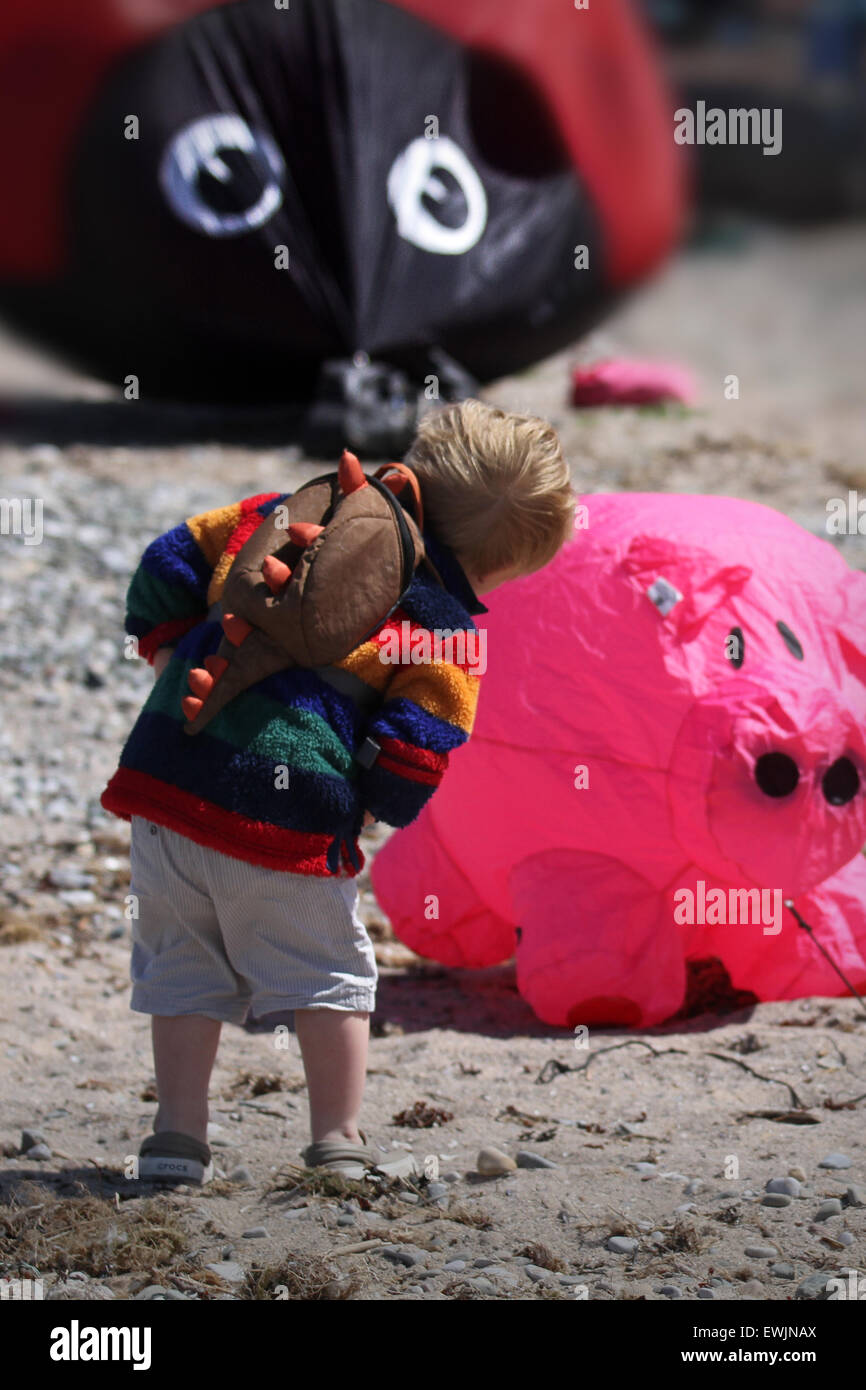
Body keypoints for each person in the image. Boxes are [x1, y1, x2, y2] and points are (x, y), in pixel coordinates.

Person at [100, 398, 575, 1181]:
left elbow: (168, 559)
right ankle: (338, 1142)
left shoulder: (282, 511)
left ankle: (175, 1141)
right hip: (286, 823)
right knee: (328, 979)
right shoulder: (442, 625)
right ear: (494, 569)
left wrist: (166, 655)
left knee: (183, 966)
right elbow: (414, 753)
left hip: (166, 786)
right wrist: (378, 797)